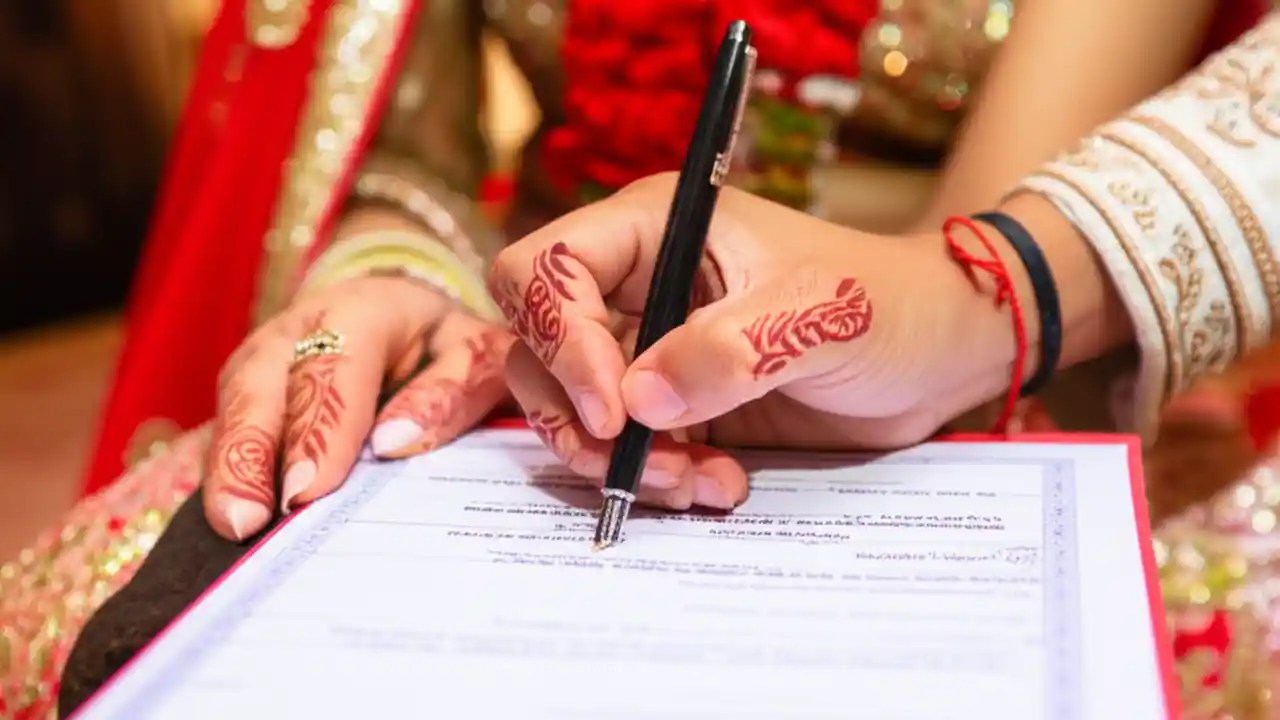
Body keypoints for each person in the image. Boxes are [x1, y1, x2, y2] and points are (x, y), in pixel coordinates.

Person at [0, 0, 1275, 717]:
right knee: (87, 623)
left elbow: (1016, 233)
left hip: (1030, 335)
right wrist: (393, 279)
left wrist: (973, 296)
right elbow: (406, 151)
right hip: (548, 358)